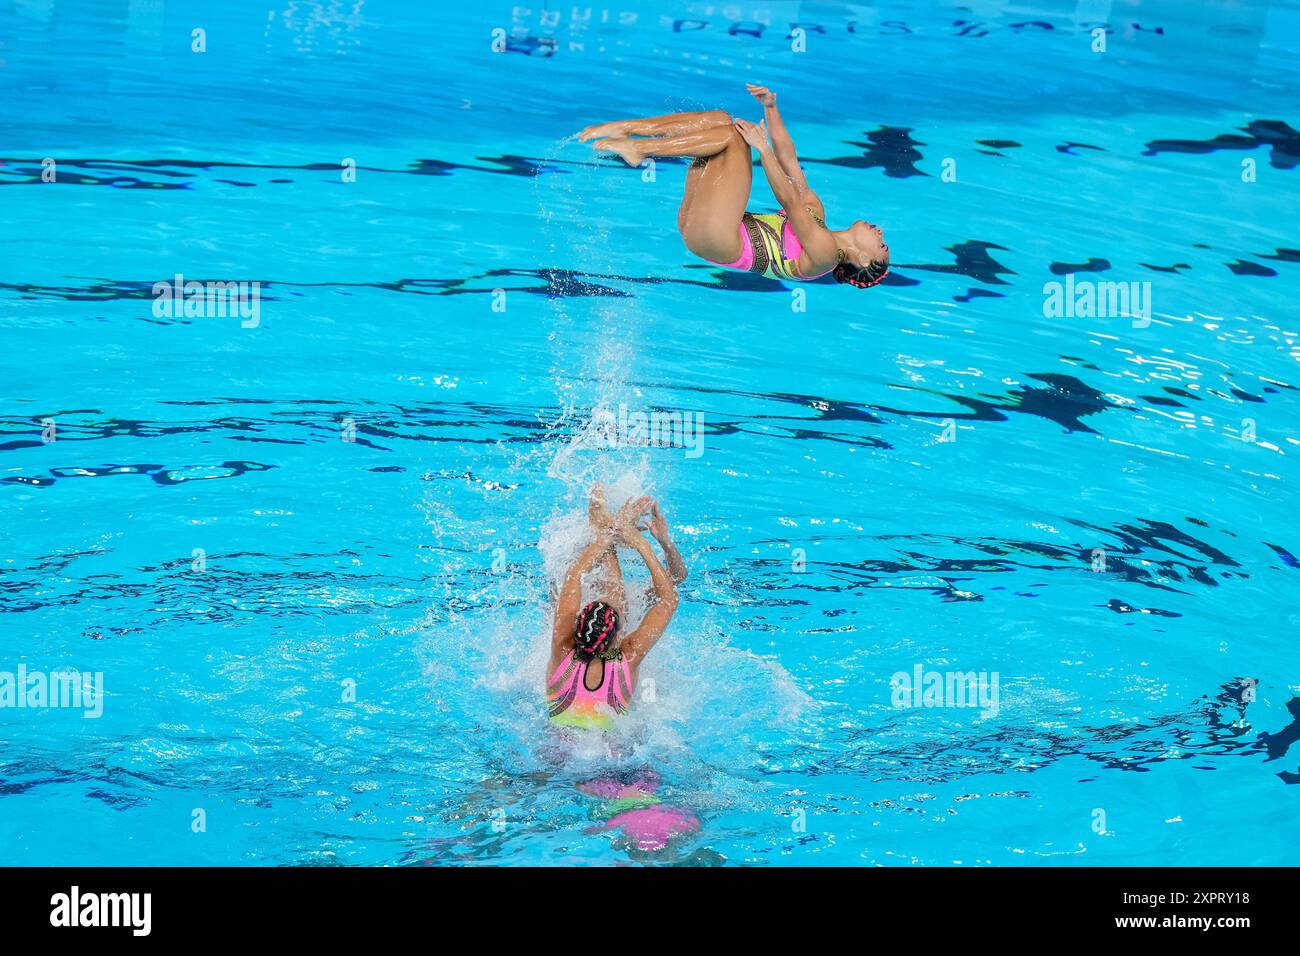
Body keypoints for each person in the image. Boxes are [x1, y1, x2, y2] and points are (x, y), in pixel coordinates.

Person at [578, 83, 889, 288]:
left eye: (882, 246)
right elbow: (790, 159)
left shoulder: (824, 255)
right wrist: (771, 107)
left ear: (862, 259)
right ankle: (626, 128)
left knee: (734, 139)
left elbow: (790, 203)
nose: (880, 233)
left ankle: (640, 150)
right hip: (704, 227)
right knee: (718, 120)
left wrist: (761, 148)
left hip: (717, 237)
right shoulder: (817, 212)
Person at [546, 486, 685, 730]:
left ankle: (603, 521)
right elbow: (669, 598)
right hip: (614, 759)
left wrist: (606, 536)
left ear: (578, 623)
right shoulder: (627, 657)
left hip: (553, 755)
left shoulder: (561, 647)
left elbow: (574, 575)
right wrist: (641, 543)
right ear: (619, 634)